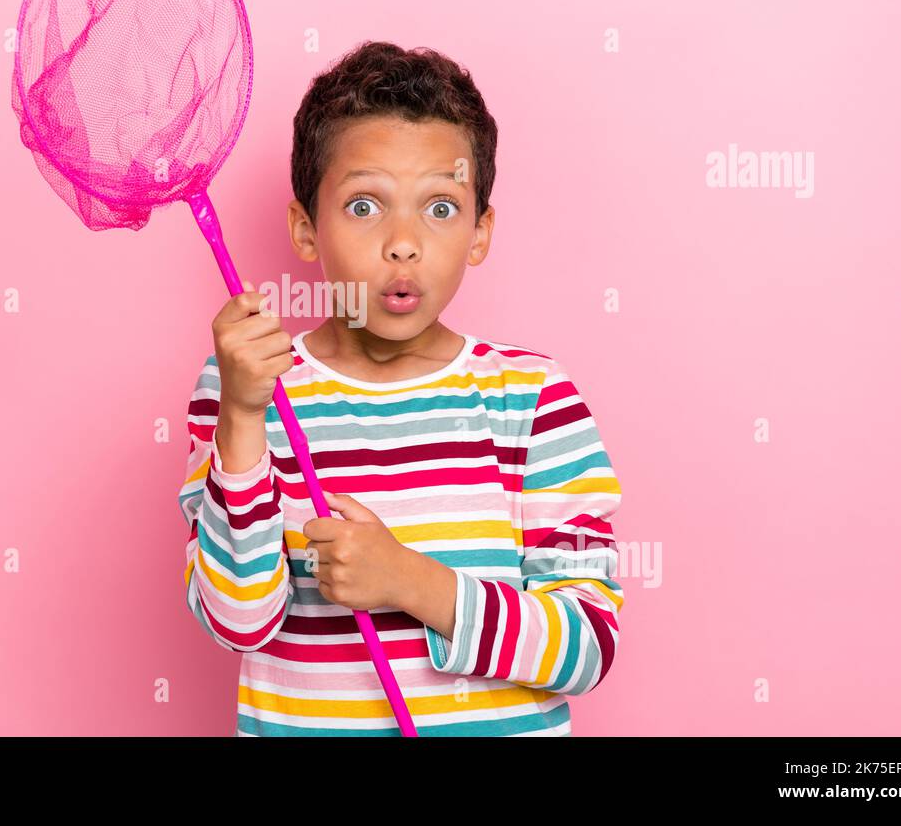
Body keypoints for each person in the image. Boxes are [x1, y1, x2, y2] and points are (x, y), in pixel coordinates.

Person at [177, 41, 623, 736]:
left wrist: (410, 582)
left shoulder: (533, 401)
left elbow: (588, 645)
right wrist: (239, 417)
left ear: (481, 232)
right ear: (304, 229)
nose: (404, 243)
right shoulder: (248, 386)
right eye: (364, 206)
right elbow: (238, 622)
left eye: (441, 209)